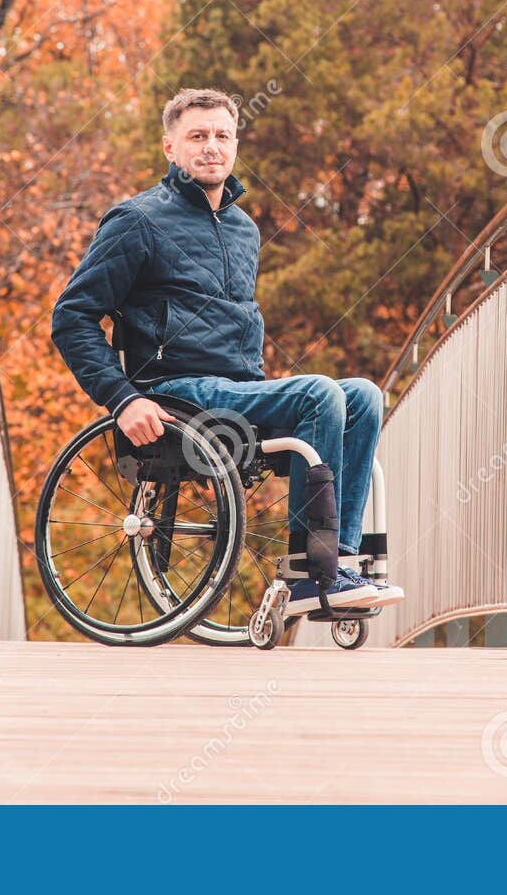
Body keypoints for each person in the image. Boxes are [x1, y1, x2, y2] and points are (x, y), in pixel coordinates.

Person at [51, 87, 404, 616]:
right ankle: (311, 572)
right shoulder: (136, 221)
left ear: (236, 145)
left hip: (236, 390)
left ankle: (340, 565)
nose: (211, 146)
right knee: (320, 393)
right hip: (172, 392)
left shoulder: (244, 229)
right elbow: (71, 318)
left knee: (363, 396)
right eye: (197, 136)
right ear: (170, 147)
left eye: (222, 135)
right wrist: (124, 400)